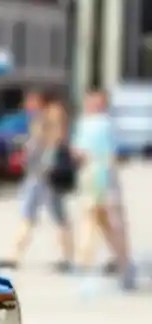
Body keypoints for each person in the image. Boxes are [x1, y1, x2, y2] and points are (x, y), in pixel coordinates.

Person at [73, 88, 135, 291]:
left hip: (93, 181)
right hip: (106, 183)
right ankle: (123, 266)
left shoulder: (88, 124)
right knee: (111, 227)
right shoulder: (107, 124)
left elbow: (79, 152)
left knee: (92, 223)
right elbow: (112, 155)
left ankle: (84, 264)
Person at [9, 93, 74, 270]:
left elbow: (51, 148)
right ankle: (15, 256)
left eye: (30, 102)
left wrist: (42, 163)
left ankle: (67, 258)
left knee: (58, 218)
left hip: (45, 178)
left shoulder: (48, 120)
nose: (27, 105)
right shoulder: (40, 121)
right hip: (37, 177)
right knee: (30, 216)